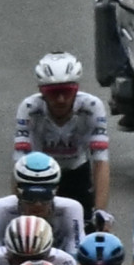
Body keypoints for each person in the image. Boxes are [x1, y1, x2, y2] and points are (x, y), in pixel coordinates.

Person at [14, 54, 109, 221]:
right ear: (41, 92)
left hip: (77, 173)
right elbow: (19, 164)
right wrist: (17, 210)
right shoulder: (29, 109)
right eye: (53, 93)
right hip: (39, 176)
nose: (60, 99)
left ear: (77, 89)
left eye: (67, 92)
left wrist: (100, 211)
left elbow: (101, 162)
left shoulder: (92, 107)